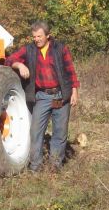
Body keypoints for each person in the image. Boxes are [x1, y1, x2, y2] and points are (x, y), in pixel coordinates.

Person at [5, 21, 80, 171]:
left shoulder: (60, 49)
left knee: (60, 131)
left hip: (59, 95)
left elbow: (70, 70)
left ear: (48, 36)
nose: (36, 39)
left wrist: (74, 91)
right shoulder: (29, 50)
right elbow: (9, 60)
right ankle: (35, 166)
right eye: (34, 37)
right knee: (35, 131)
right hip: (42, 96)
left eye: (39, 36)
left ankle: (55, 165)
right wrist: (20, 65)